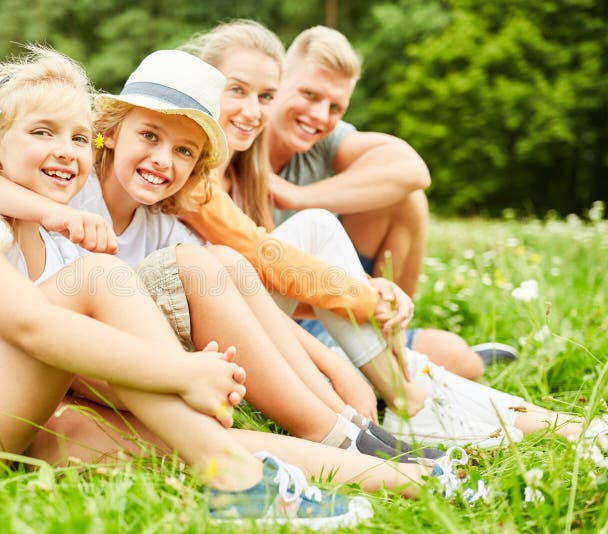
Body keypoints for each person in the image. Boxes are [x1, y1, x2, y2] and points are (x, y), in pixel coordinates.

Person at [0, 44, 475, 527]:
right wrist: (179, 374)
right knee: (105, 280)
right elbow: (34, 328)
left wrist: (166, 391)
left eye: (78, 136)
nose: (67, 151)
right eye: (42, 133)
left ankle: (416, 478)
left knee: (171, 439)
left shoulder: (55, 241)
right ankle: (233, 481)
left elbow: (62, 351)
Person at [178, 20, 606, 446]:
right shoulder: (190, 176)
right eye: (237, 90)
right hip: (223, 345)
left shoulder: (242, 169)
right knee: (320, 232)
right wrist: (362, 297)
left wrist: (369, 289)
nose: (254, 110)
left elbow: (267, 284)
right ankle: (409, 397)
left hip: (269, 328)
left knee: (426, 368)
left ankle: (569, 428)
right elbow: (261, 263)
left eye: (264, 97)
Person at [266, 26, 518, 378]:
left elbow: (412, 170)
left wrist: (297, 195)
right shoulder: (241, 140)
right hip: (277, 322)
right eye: (309, 95)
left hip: (326, 307)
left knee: (406, 199)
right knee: (449, 362)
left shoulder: (323, 142)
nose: (320, 116)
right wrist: (349, 291)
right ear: (277, 81)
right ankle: (380, 364)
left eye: (336, 107)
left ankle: (387, 333)